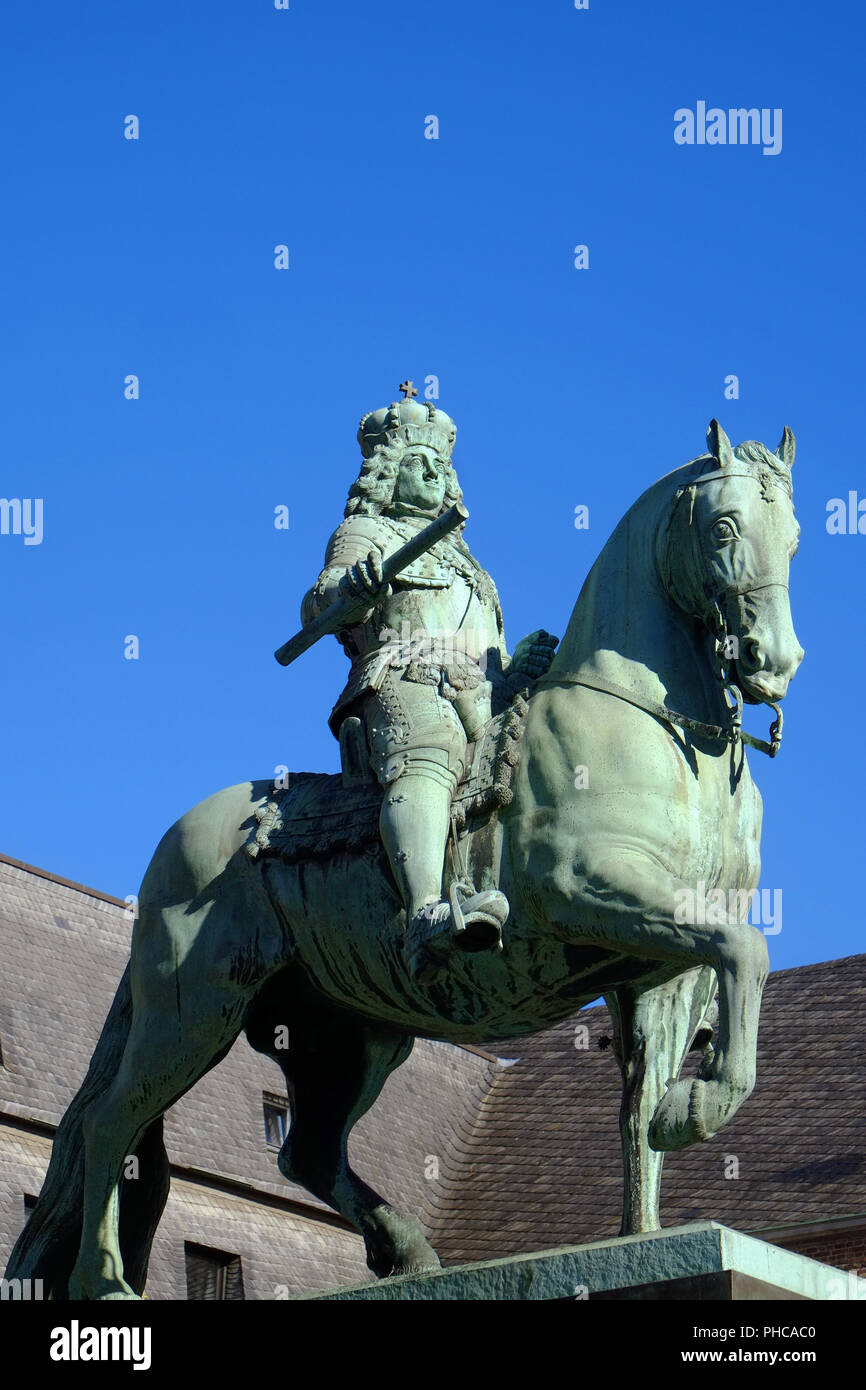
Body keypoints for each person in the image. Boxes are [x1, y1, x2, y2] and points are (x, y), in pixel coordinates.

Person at [302, 387, 556, 981]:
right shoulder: (369, 533)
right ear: (389, 473)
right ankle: (423, 914)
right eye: (419, 462)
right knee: (433, 749)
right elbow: (319, 603)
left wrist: (517, 669)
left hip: (480, 693)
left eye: (442, 465)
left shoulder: (472, 566)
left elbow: (488, 651)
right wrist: (349, 591)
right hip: (403, 678)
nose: (435, 472)